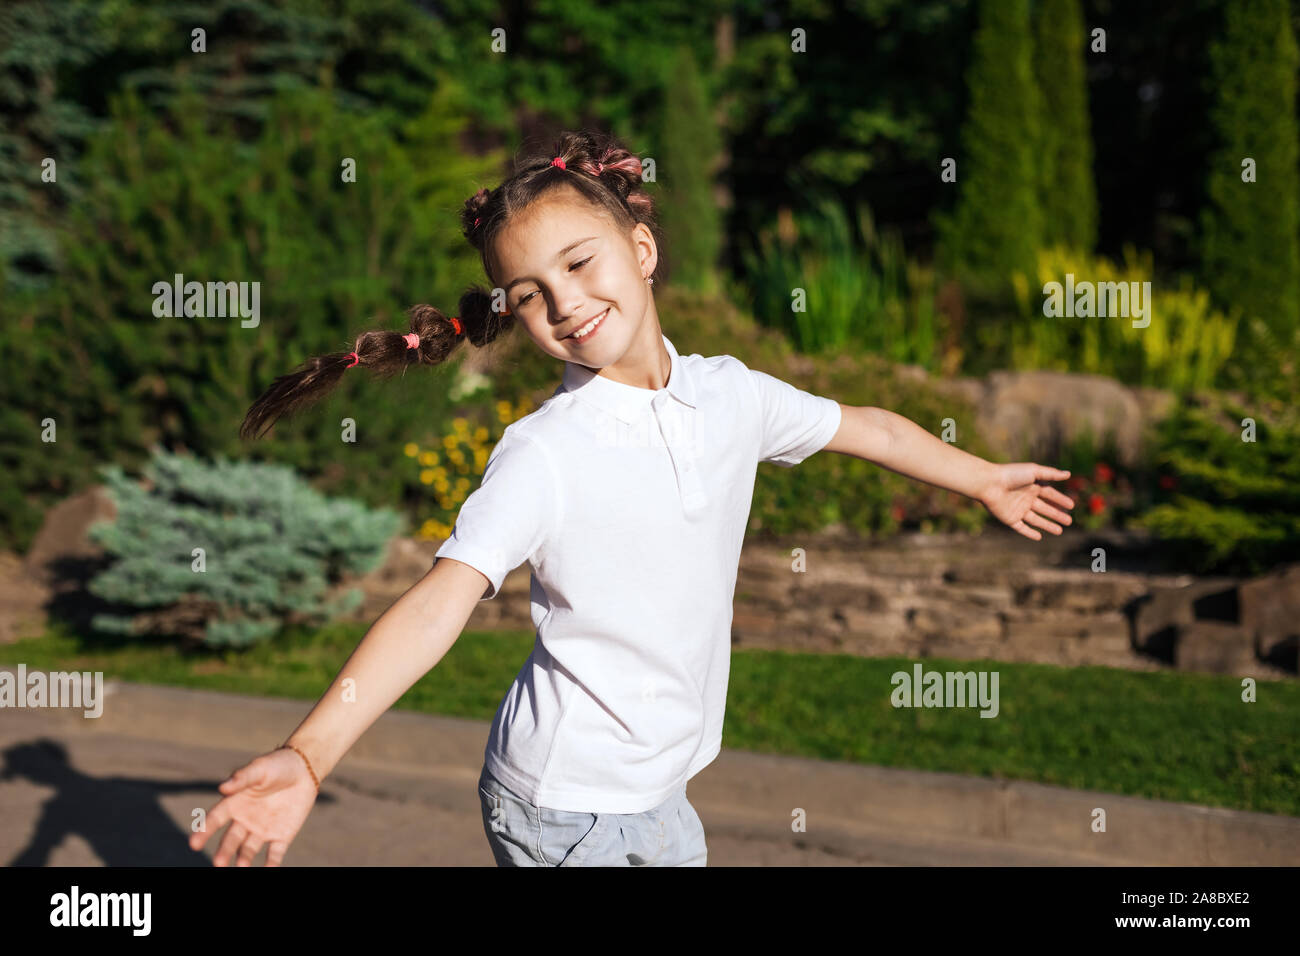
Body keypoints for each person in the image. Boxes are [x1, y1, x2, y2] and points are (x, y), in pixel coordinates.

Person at [191, 129, 1075, 868]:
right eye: (531, 296)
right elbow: (437, 606)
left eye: (580, 263)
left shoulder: (733, 395)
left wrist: (984, 478)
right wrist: (309, 753)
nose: (565, 304)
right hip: (563, 803)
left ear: (642, 251)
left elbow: (867, 428)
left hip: (660, 791)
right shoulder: (547, 452)